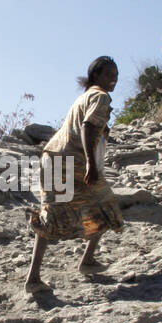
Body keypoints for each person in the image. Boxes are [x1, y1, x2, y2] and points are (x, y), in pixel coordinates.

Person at [26, 56, 125, 293]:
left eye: (116, 75)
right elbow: (88, 127)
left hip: (53, 157)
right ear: (97, 76)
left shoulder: (84, 96)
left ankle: (39, 276)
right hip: (72, 162)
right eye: (109, 74)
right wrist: (91, 163)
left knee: (53, 214)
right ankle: (81, 262)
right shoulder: (100, 96)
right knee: (104, 207)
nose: (114, 79)